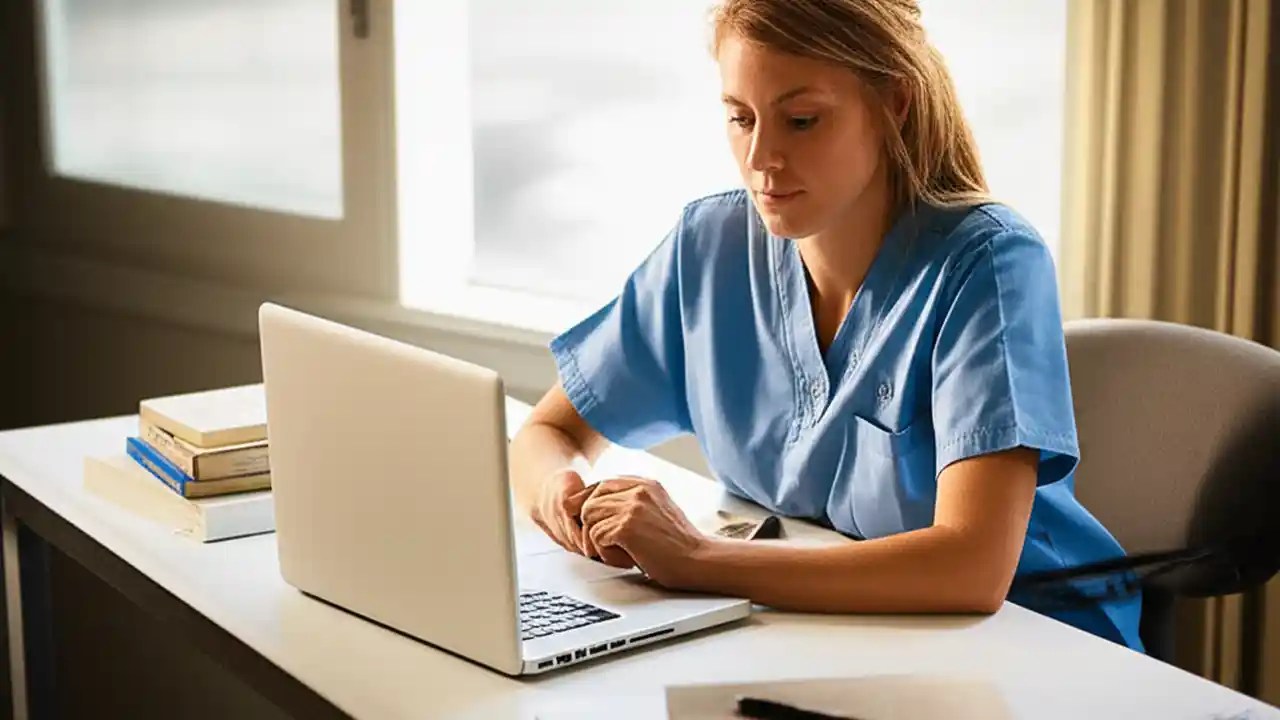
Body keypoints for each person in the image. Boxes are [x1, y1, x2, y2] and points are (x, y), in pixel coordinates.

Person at [509, 0, 1142, 651]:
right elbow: (550, 431)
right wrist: (564, 498)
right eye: (740, 118)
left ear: (893, 101)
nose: (761, 157)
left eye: (801, 120)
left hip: (1031, 649)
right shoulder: (709, 248)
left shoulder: (988, 262)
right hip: (816, 637)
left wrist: (695, 561)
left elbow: (972, 568)